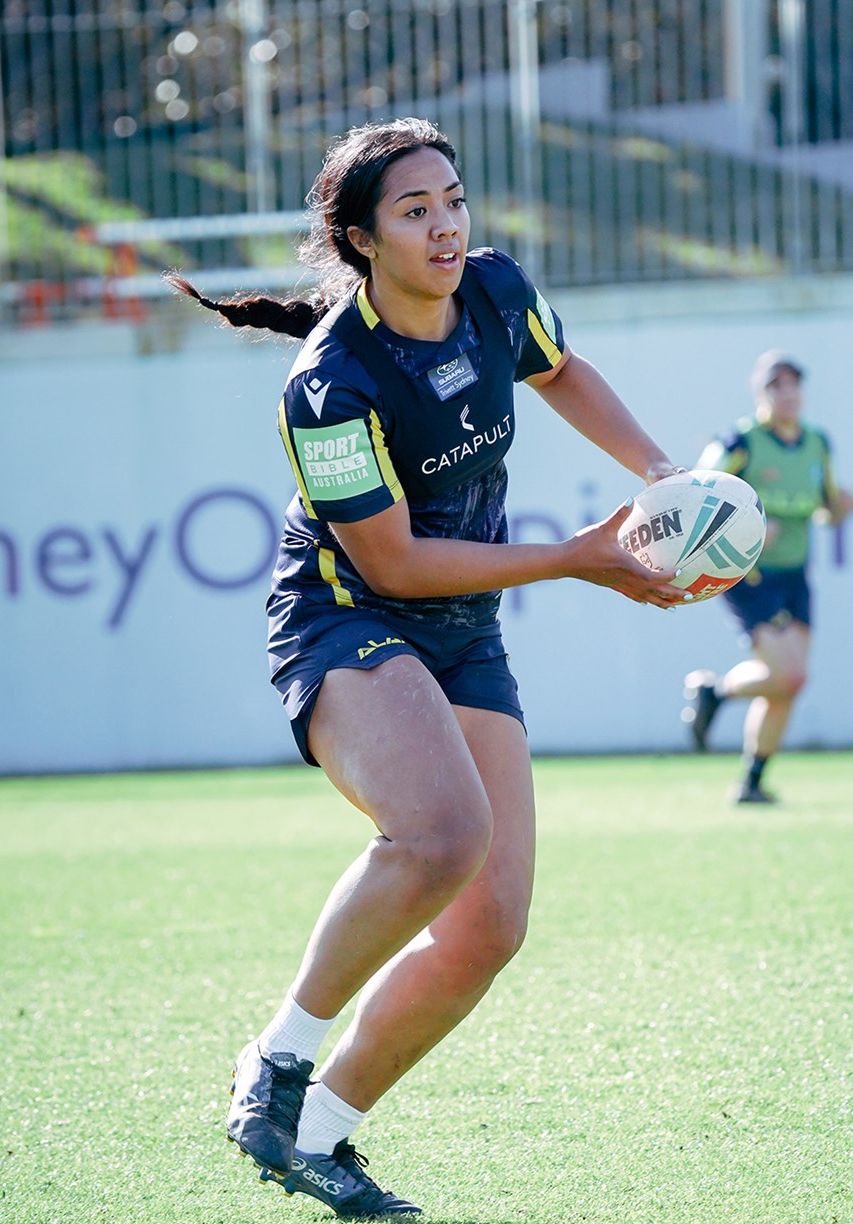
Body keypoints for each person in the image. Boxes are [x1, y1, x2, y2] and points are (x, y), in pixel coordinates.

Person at [167, 117, 688, 1219]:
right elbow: (392, 560)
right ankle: (278, 1059)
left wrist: (658, 473)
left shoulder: (495, 289)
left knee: (490, 926)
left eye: (451, 198)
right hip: (344, 615)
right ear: (360, 240)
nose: (445, 224)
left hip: (461, 627)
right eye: (414, 211)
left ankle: (315, 1131)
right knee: (442, 835)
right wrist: (584, 559)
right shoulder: (328, 385)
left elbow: (562, 368)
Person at [683, 350, 853, 804]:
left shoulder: (817, 442)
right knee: (791, 675)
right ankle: (716, 693)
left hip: (795, 574)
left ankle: (751, 781)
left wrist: (840, 506)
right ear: (762, 393)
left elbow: (829, 507)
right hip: (747, 572)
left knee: (788, 684)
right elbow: (697, 493)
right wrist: (749, 521)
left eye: (794, 384)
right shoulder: (741, 442)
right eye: (777, 385)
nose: (788, 393)